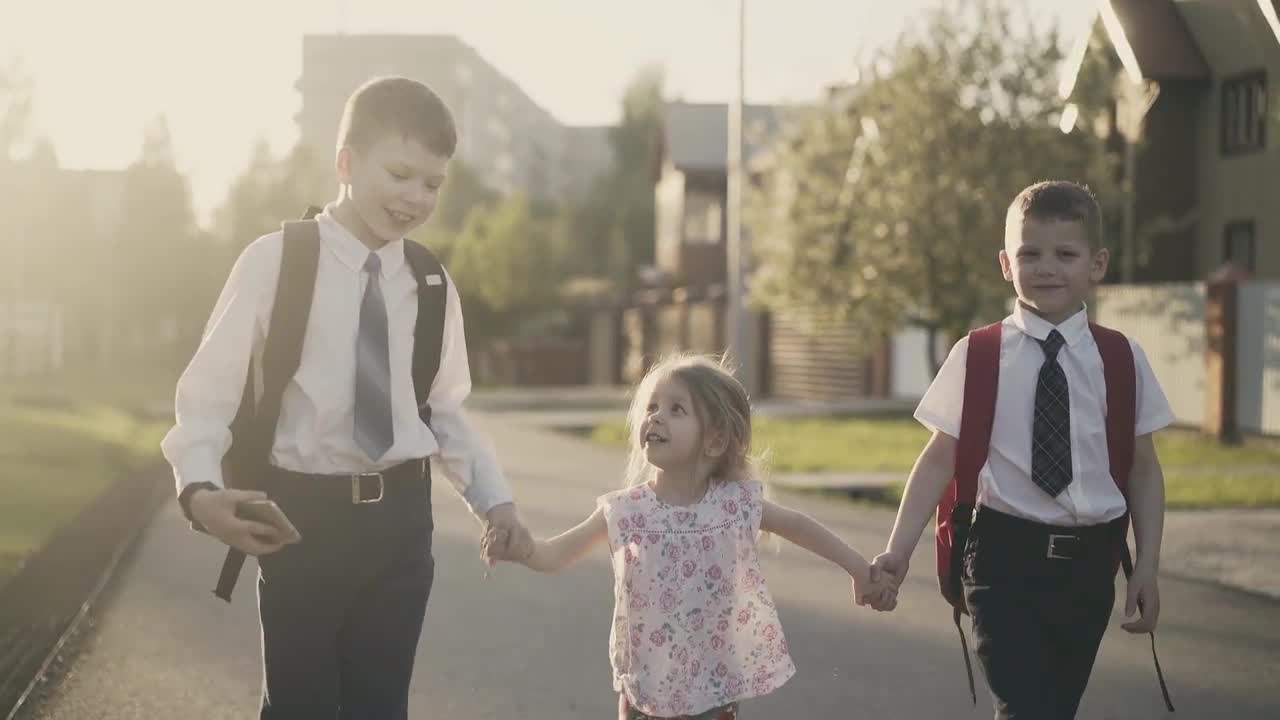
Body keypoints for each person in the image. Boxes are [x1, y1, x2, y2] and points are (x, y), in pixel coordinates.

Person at [161, 75, 533, 719]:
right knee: (301, 705)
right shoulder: (275, 262)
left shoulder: (431, 282)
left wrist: (494, 500)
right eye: (399, 174)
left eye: (433, 184)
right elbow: (205, 396)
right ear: (345, 163)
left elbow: (445, 408)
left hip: (401, 529)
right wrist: (199, 492)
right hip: (302, 520)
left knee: (379, 707)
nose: (415, 197)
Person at [869, 180, 1173, 719]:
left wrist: (1145, 566)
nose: (1047, 267)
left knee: (1054, 708)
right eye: (1030, 254)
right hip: (1001, 562)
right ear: (1007, 264)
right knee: (1025, 707)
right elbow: (939, 457)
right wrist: (898, 548)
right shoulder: (979, 353)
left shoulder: (1122, 359)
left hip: (1089, 566)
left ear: (1097, 264)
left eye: (1066, 254)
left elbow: (1144, 471)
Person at [486, 353, 893, 719]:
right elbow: (556, 555)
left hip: (713, 694)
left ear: (715, 439)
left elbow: (800, 526)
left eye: (676, 409)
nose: (655, 418)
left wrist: (858, 569)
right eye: (652, 407)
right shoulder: (628, 510)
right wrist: (523, 549)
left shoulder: (732, 505)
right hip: (646, 696)